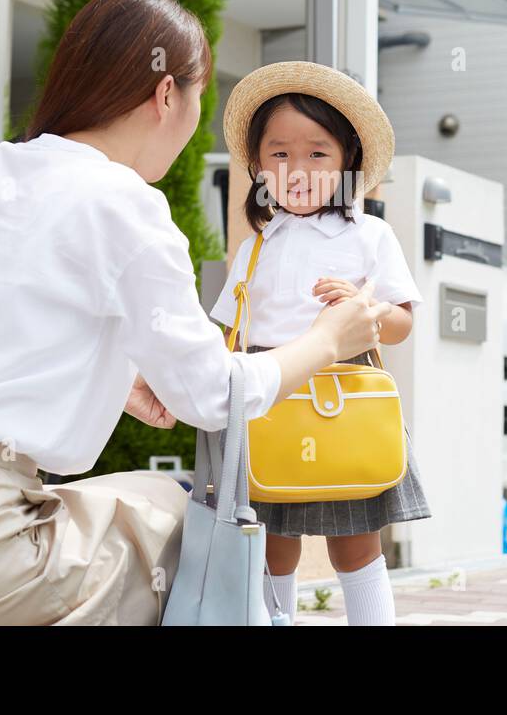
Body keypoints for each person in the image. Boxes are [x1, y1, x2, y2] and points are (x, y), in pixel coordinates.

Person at [0, 0, 390, 625]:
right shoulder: (127, 201)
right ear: (168, 94)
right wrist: (329, 340)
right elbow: (215, 396)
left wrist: (120, 378)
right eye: (198, 98)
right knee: (191, 517)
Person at [209, 61, 432, 626]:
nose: (297, 169)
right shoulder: (255, 247)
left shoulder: (369, 235)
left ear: (347, 161)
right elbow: (227, 329)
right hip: (269, 396)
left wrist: (366, 310)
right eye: (279, 154)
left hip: (345, 394)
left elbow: (403, 321)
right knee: (272, 544)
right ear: (258, 166)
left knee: (357, 548)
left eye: (317, 153)